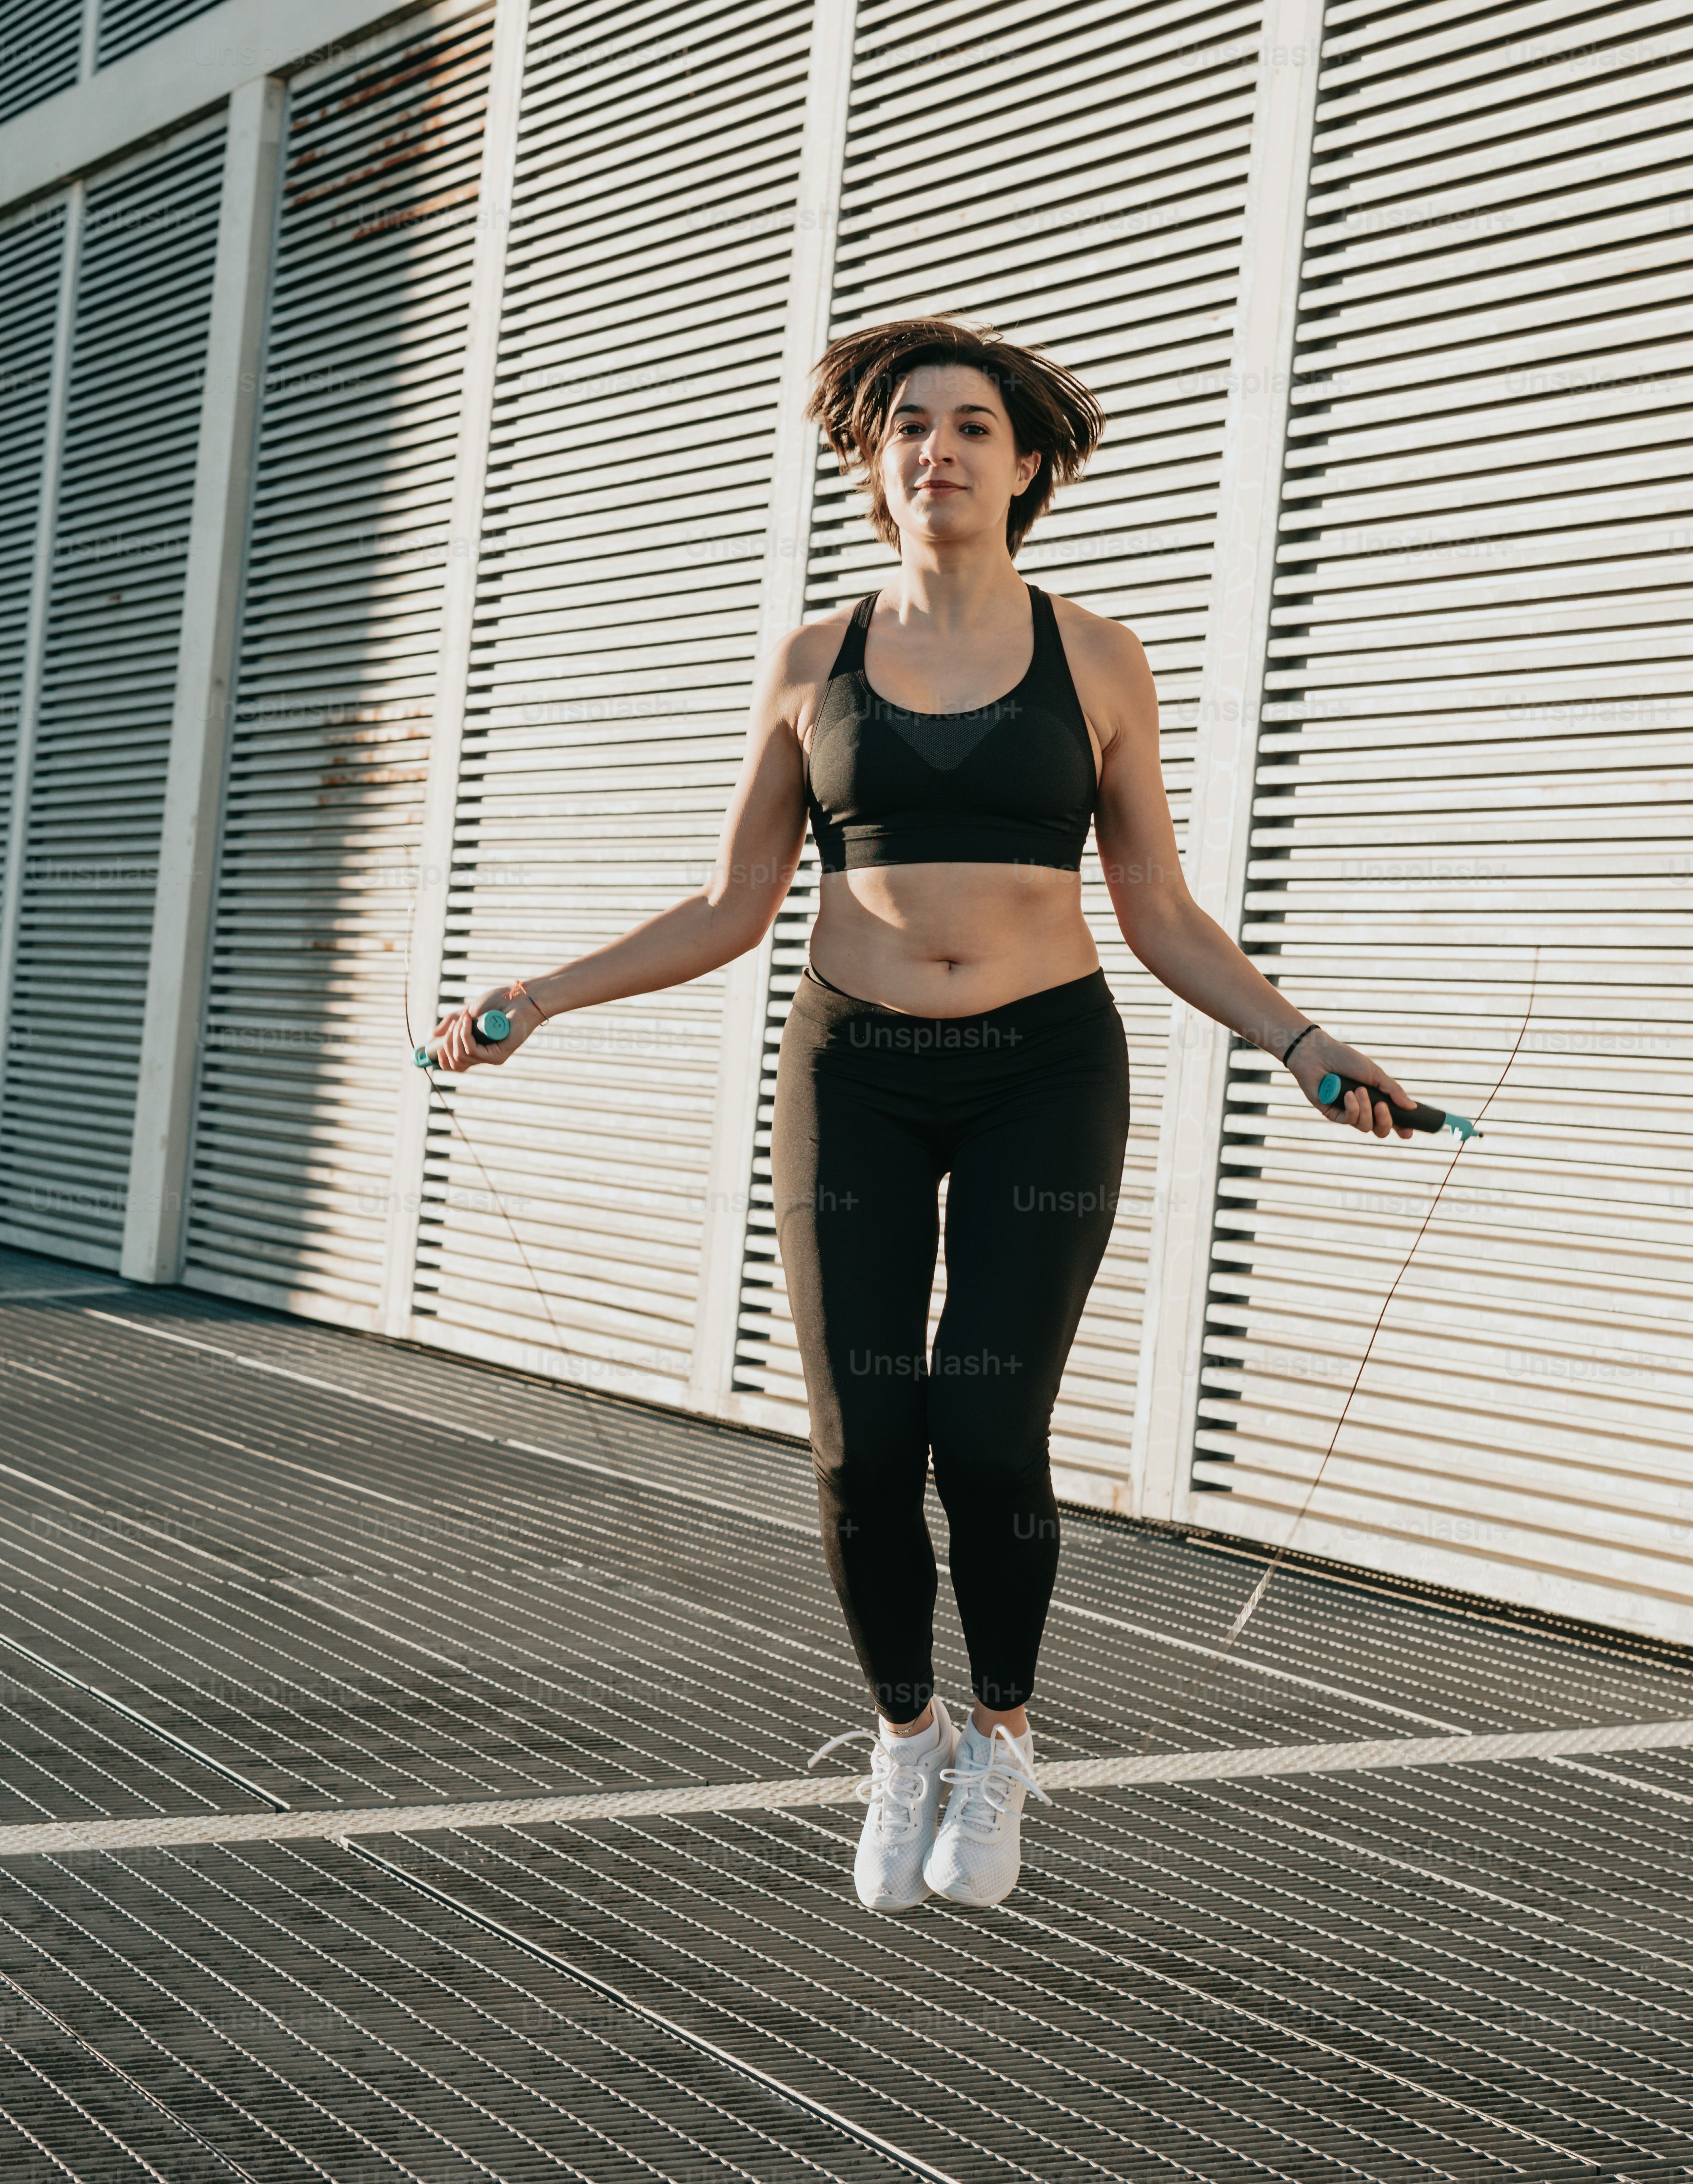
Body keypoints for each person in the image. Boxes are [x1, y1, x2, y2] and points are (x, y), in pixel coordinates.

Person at [418, 316, 1420, 1911]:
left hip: (1046, 1070)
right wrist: (538, 995)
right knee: (859, 1446)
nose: (937, 448)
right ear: (870, 465)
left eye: (970, 426)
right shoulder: (812, 661)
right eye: (906, 426)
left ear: (1027, 467)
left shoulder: (1094, 655)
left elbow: (1158, 908)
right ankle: (907, 1734)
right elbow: (731, 901)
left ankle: (1006, 1743)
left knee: (985, 1420)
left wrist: (1303, 1047)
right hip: (855, 1071)